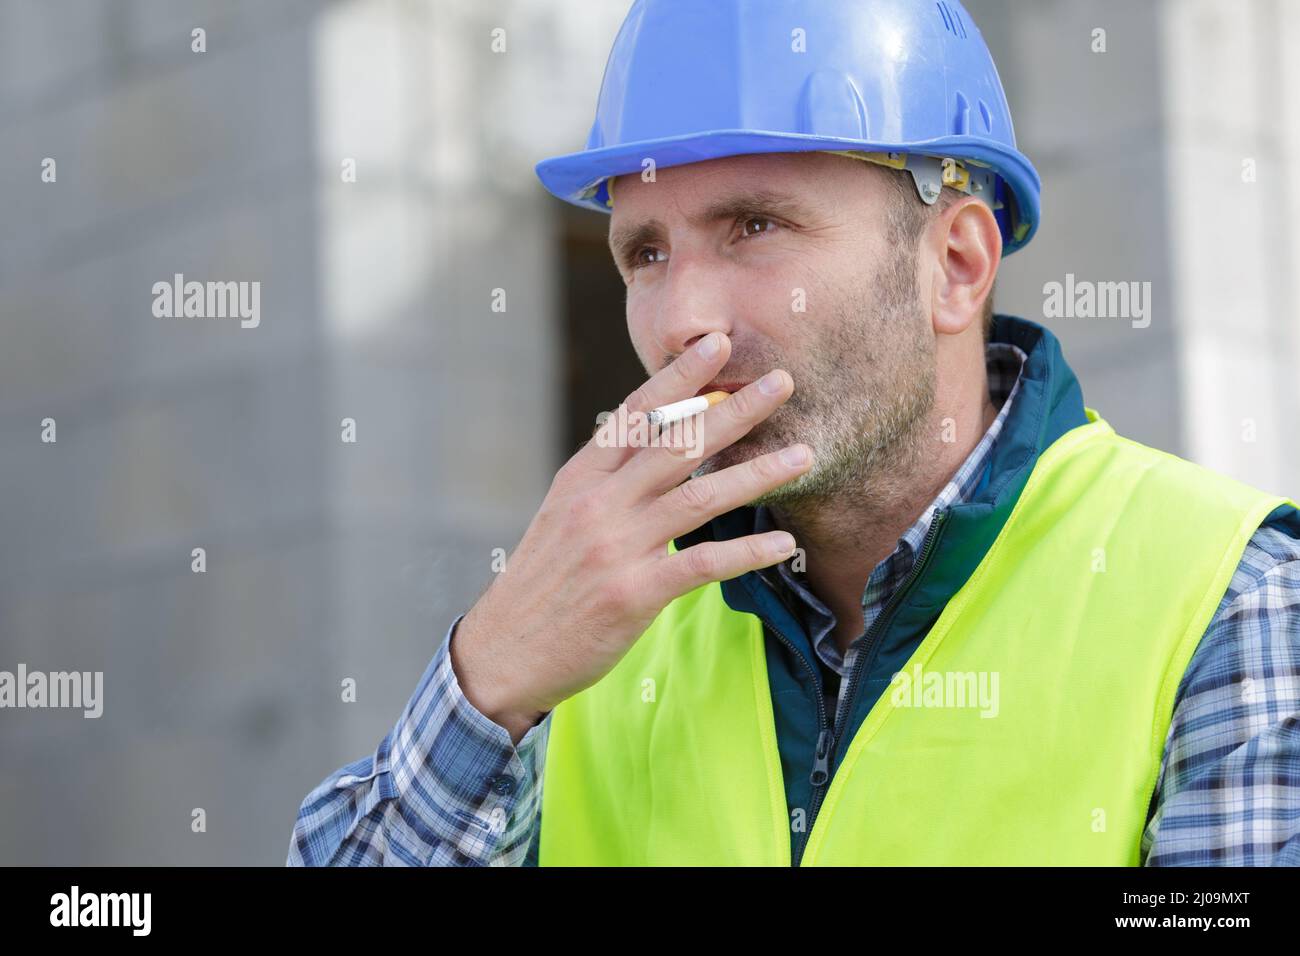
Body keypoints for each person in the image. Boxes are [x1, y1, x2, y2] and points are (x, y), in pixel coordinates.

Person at [288, 0, 1300, 866]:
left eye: (753, 226)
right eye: (643, 250)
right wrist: (490, 676)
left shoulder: (1231, 606)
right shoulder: (586, 645)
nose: (681, 315)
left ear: (953, 261)